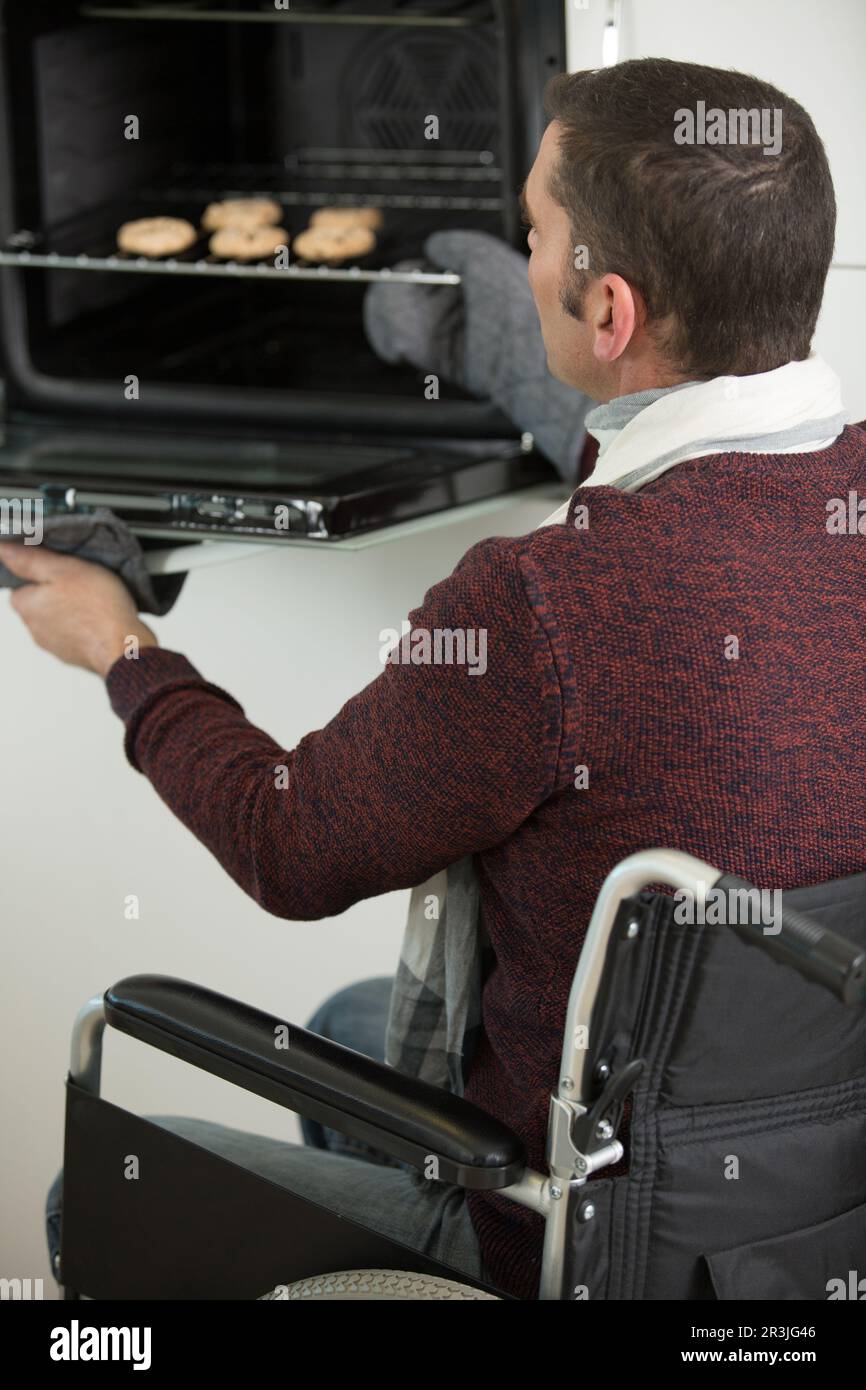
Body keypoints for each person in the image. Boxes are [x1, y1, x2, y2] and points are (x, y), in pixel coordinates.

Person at [4, 57, 863, 1303]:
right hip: (804, 1216)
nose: (520, 258)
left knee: (90, 1192)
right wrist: (520, 363)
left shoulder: (535, 605)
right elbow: (715, 495)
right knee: (365, 1019)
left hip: (587, 1249)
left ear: (609, 312)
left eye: (532, 235)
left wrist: (121, 650)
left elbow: (286, 839)